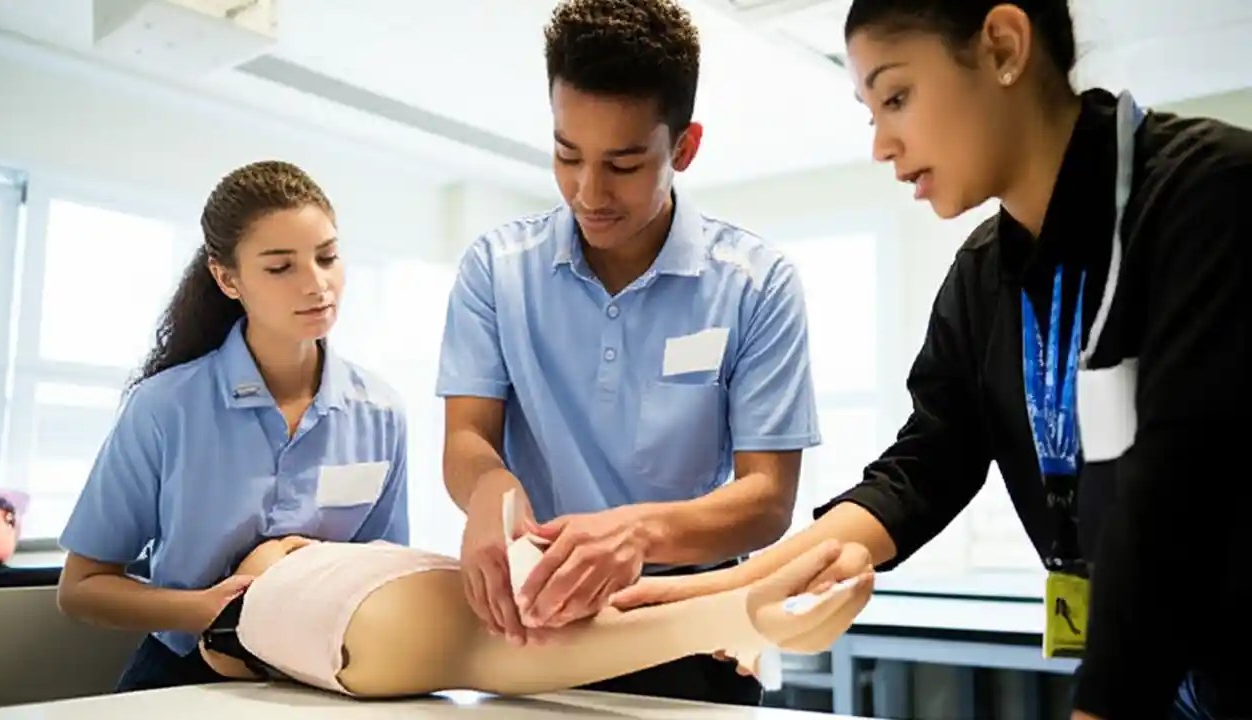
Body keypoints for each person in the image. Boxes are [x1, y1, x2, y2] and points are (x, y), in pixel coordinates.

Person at [611, 1, 1251, 718]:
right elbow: (926, 464)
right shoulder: (983, 276)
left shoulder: (1210, 195)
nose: (882, 144)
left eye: (897, 97)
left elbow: (1175, 498)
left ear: (1004, 46)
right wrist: (733, 587)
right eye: (871, 112)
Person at [435, 0, 825, 706]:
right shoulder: (496, 269)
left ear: (684, 147)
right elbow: (467, 439)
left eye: (622, 163)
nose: (589, 192)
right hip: (535, 634)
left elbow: (769, 497)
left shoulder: (756, 284)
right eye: (565, 154)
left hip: (690, 628)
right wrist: (490, 495)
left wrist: (639, 534)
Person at [55, 160, 410, 693]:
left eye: (328, 256)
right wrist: (203, 610)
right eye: (280, 267)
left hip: (322, 678)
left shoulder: (381, 412)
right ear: (228, 278)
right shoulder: (164, 408)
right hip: (181, 676)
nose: (317, 284)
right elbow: (81, 588)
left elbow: (385, 574)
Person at [195, 532, 874, 698]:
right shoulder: (291, 568)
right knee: (564, 627)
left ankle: (733, 613)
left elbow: (225, 649)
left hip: (380, 617)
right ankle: (735, 611)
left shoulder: (247, 610)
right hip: (413, 587)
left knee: (504, 650)